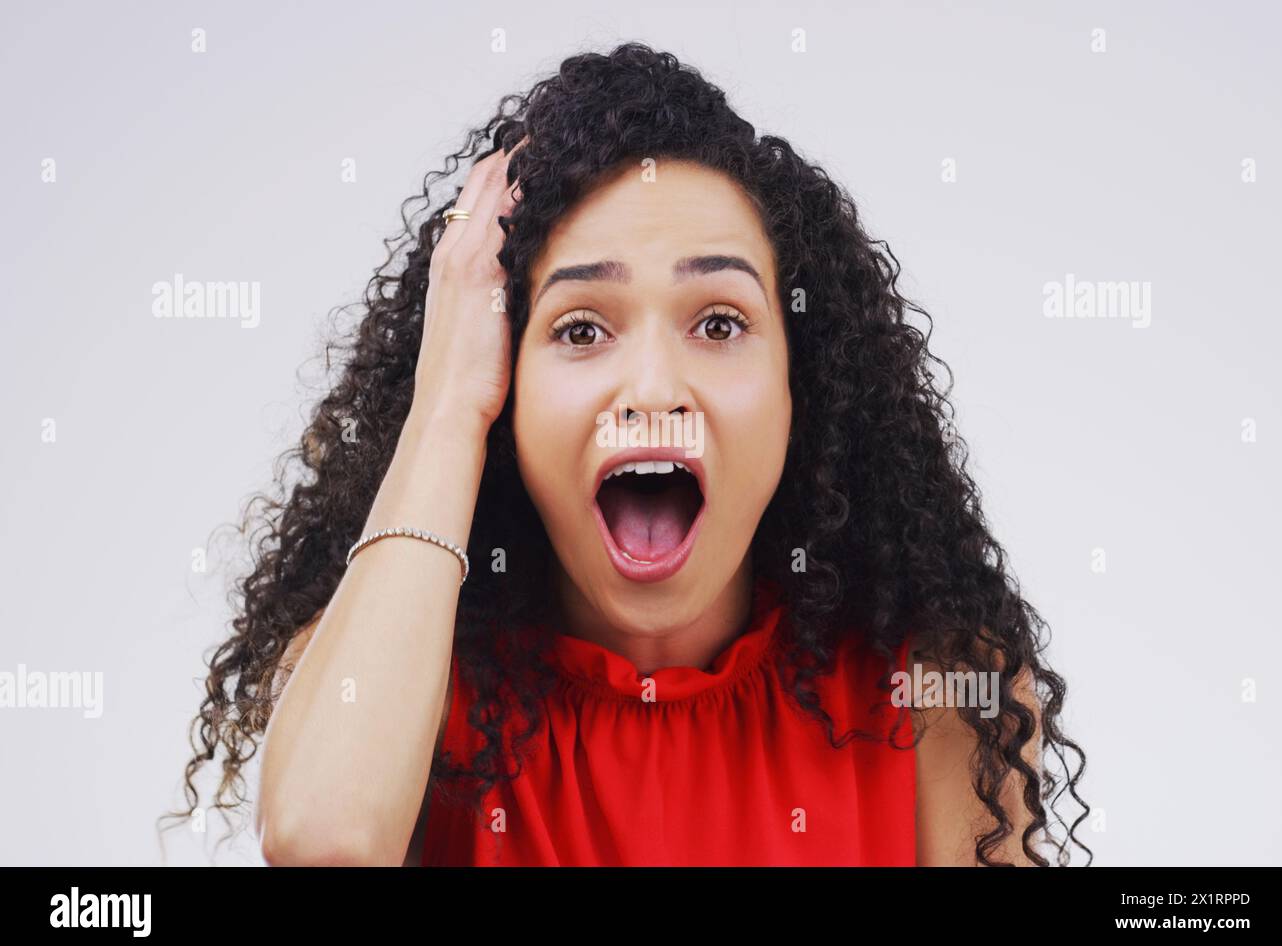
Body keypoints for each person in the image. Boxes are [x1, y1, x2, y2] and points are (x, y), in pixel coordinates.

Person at [159, 42, 1090, 867]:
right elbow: (326, 840)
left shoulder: (931, 690)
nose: (652, 386)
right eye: (578, 328)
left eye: (719, 322)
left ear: (799, 382)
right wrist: (445, 404)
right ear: (505, 382)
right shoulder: (407, 679)